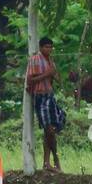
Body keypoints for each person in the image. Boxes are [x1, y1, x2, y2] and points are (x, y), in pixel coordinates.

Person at [26, 37, 65, 171]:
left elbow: (56, 78)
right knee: (48, 129)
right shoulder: (35, 60)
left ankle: (47, 163)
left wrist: (54, 75)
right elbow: (30, 80)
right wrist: (46, 74)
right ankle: (55, 159)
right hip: (40, 96)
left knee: (51, 129)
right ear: (41, 47)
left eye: (50, 47)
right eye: (46, 47)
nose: (49, 49)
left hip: (50, 95)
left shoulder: (50, 61)